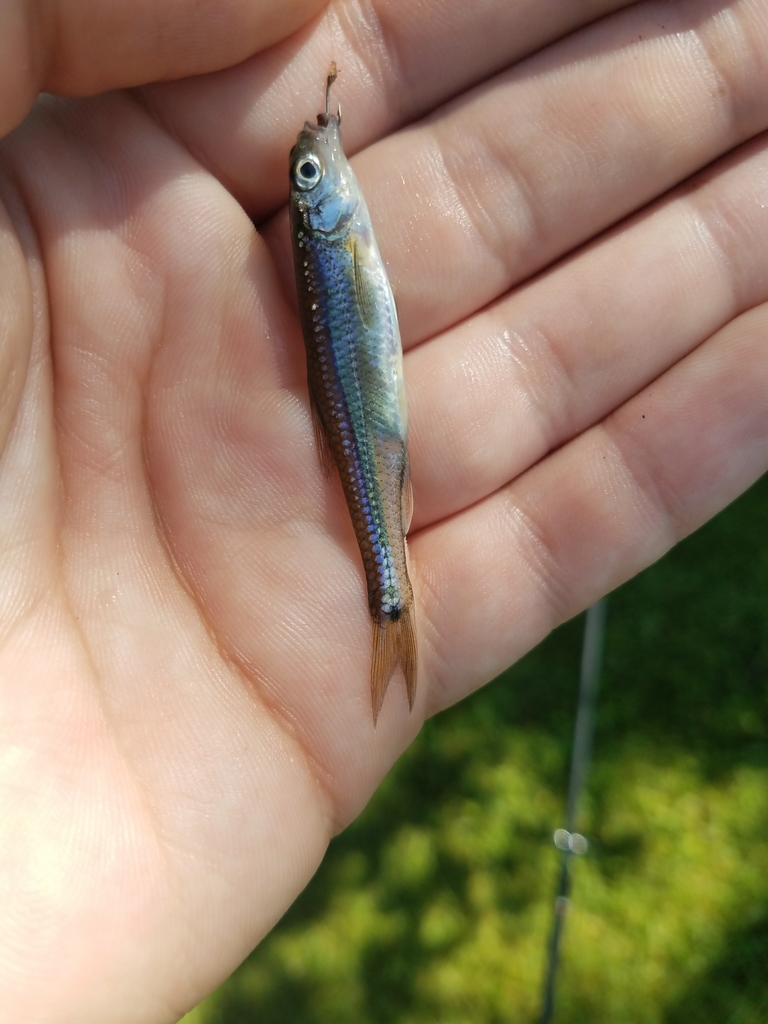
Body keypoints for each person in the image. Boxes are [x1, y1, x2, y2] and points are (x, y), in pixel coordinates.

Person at [1, 0, 766, 1019]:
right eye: (310, 172)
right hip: (374, 450)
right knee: (381, 512)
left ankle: (387, 599)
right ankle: (387, 600)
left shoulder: (334, 229)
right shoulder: (333, 230)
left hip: (370, 433)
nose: (316, 162)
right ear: (326, 207)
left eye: (310, 171)